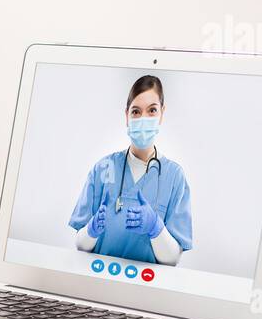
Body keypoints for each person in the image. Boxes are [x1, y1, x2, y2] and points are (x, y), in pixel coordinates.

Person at [68, 74, 193, 265]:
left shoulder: (174, 177)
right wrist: (91, 230)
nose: (143, 118)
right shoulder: (103, 168)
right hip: (98, 283)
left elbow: (173, 259)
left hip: (146, 290)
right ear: (126, 116)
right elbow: (80, 245)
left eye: (152, 110)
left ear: (162, 113)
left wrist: (156, 228)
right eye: (136, 112)